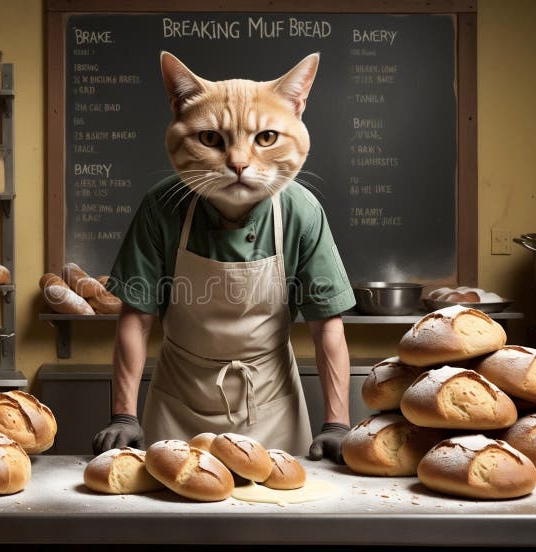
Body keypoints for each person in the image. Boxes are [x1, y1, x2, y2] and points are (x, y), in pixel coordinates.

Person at [92, 51, 356, 463]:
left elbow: (327, 327)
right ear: (178, 110)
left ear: (298, 108)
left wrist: (337, 423)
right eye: (213, 139)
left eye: (264, 138)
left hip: (272, 410)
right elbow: (135, 317)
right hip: (177, 405)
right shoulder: (162, 208)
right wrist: (123, 415)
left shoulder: (302, 210)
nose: (238, 162)